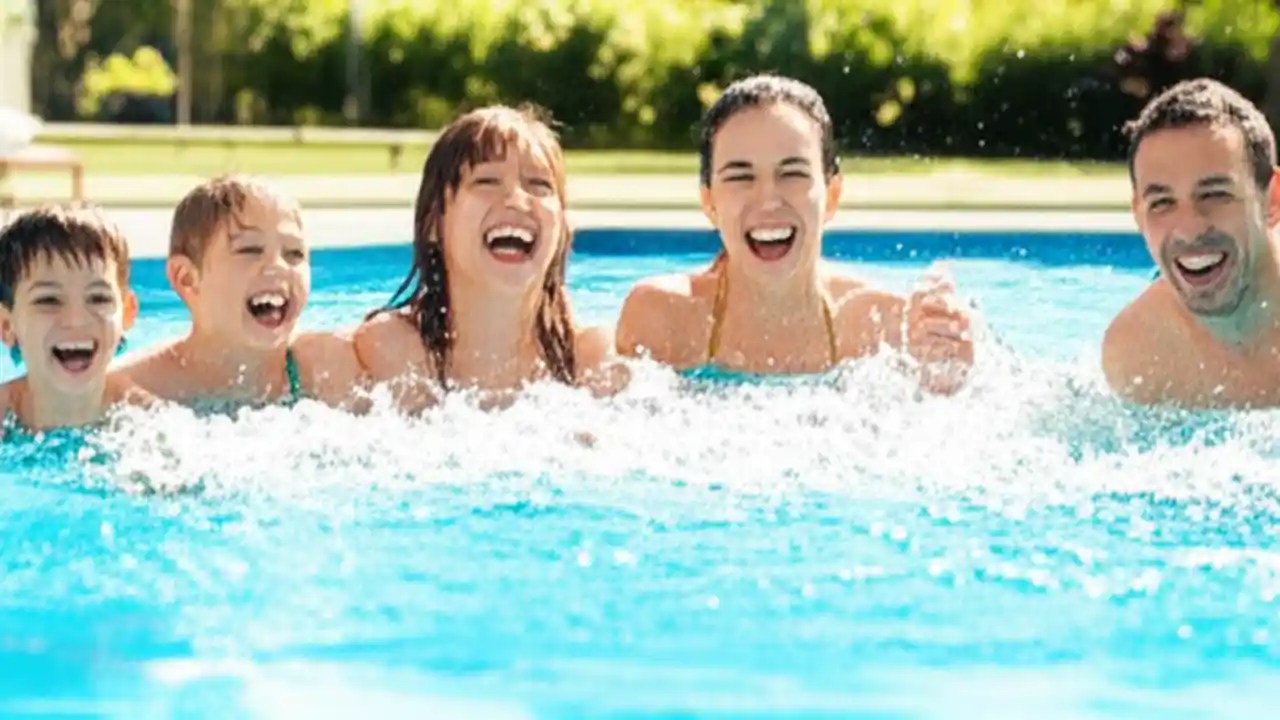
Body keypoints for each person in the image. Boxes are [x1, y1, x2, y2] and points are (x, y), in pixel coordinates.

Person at [615, 74, 975, 393]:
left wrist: (944, 381)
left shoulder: (880, 328)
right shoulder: (663, 317)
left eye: (792, 173)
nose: (768, 200)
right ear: (709, 203)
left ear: (832, 195)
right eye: (741, 176)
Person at [354, 105, 623, 412]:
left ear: (563, 230)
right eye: (487, 182)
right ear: (433, 223)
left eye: (539, 185)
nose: (517, 200)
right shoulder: (392, 349)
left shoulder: (589, 361)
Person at [1102, 78, 1280, 408]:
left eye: (1214, 194)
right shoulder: (1139, 354)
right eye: (1162, 203)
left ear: (1272, 200)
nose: (1188, 230)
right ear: (1139, 215)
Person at [0, 205, 142, 430]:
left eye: (98, 298)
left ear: (127, 314)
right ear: (7, 326)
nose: (77, 320)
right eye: (48, 300)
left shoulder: (147, 426)